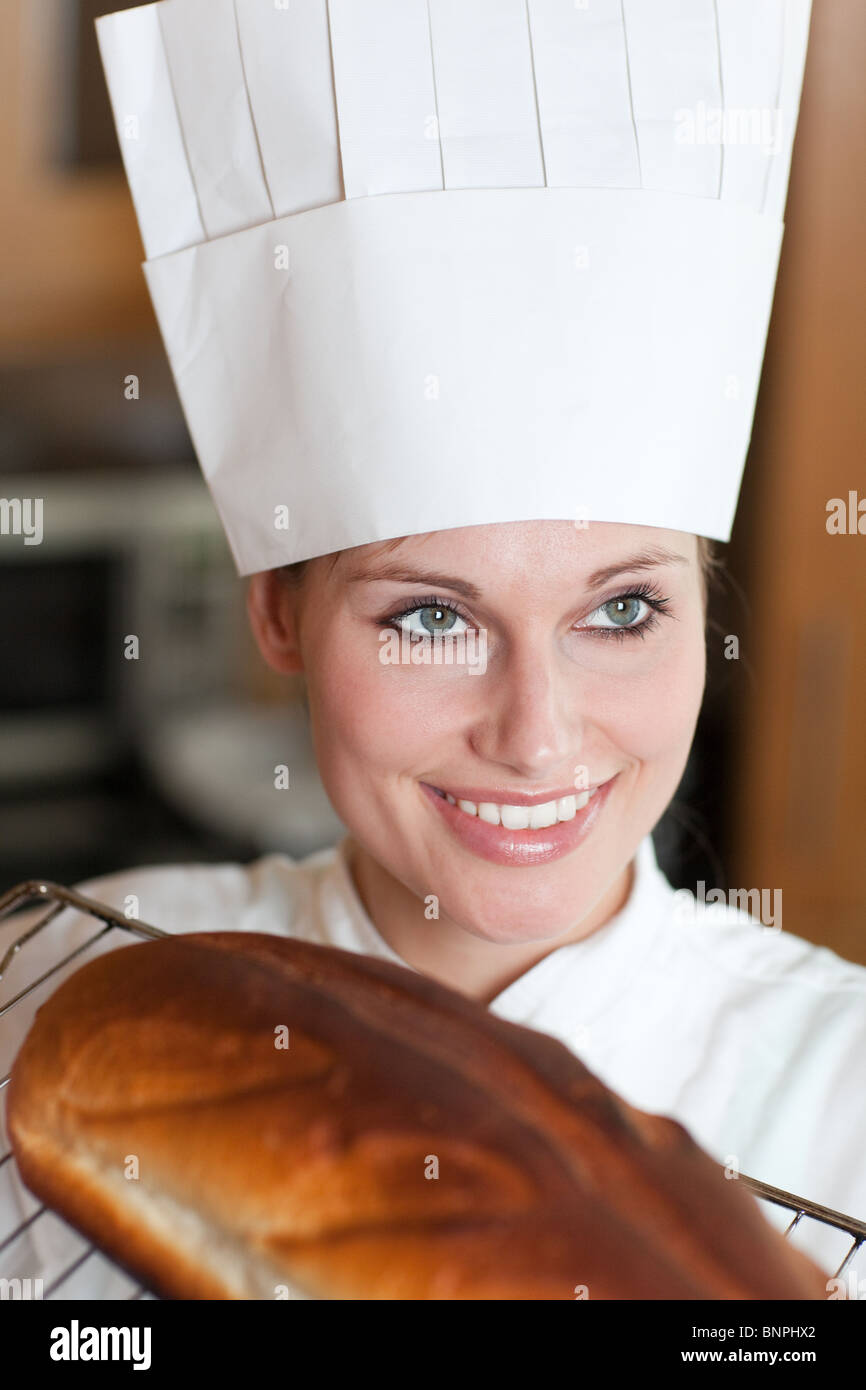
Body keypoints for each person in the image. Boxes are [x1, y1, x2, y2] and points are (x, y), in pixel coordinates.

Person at [3, 0, 863, 1298]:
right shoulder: (71, 983)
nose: (536, 733)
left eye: (620, 609)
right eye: (430, 617)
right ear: (278, 613)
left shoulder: (838, 1084)